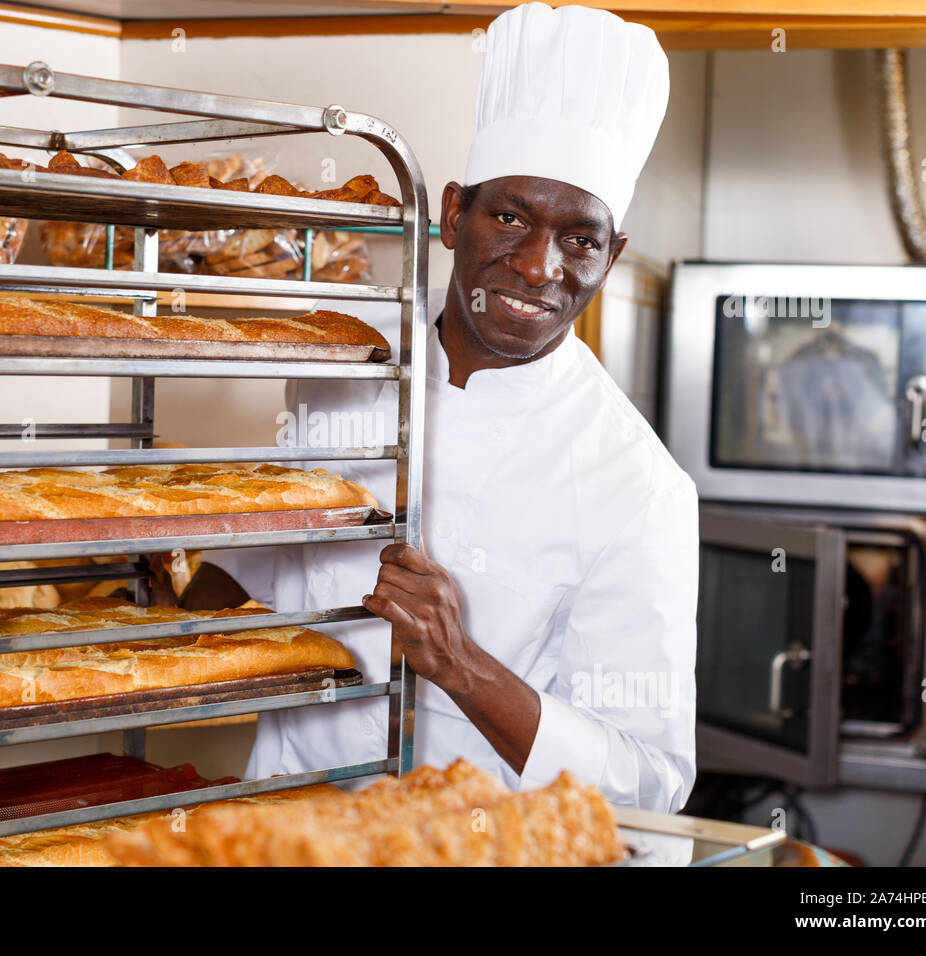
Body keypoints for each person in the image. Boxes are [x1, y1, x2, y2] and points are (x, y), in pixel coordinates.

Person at [180, 2, 699, 813]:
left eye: (579, 238)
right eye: (510, 216)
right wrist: (137, 566)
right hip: (279, 825)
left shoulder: (636, 485)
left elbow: (650, 780)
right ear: (454, 213)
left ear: (611, 255)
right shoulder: (339, 348)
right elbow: (282, 555)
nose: (537, 267)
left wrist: (458, 660)